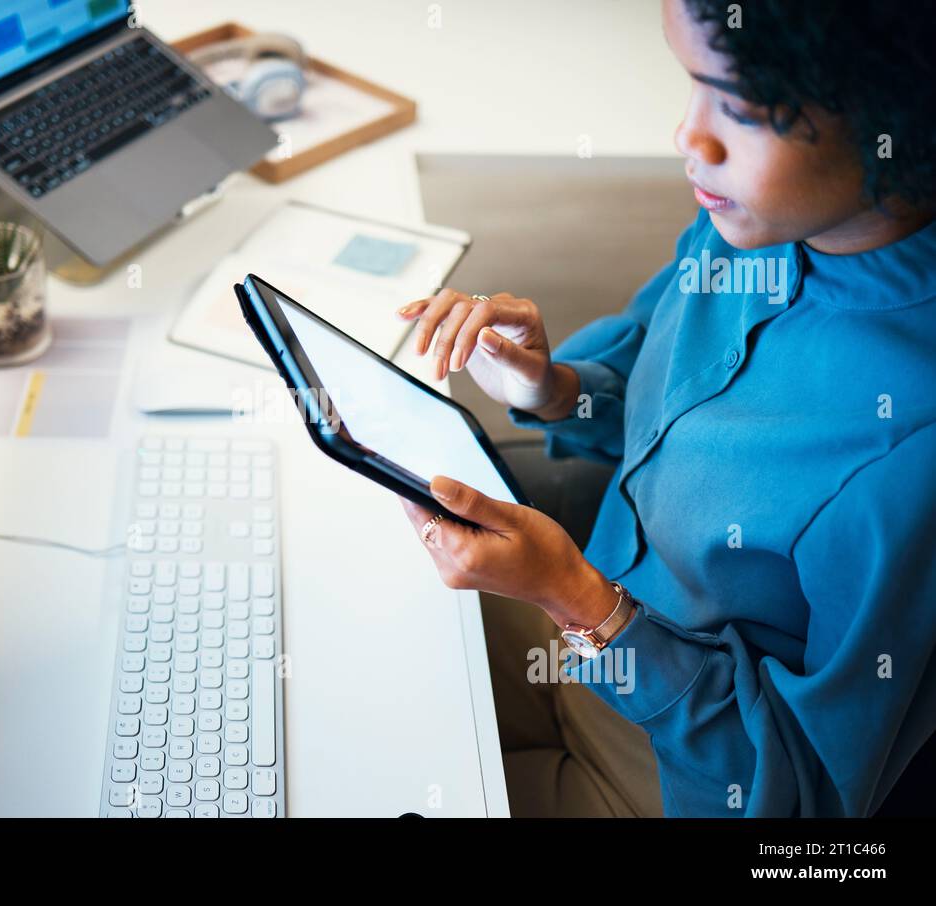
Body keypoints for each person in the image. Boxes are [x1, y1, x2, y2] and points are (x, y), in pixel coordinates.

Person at [396, 0, 936, 816]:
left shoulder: (912, 452)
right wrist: (556, 390)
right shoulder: (747, 223)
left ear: (897, 115)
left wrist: (578, 599)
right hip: (574, 640)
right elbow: (658, 410)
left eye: (740, 109)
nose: (690, 137)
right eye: (691, 84)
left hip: (666, 778)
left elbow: (802, 803)